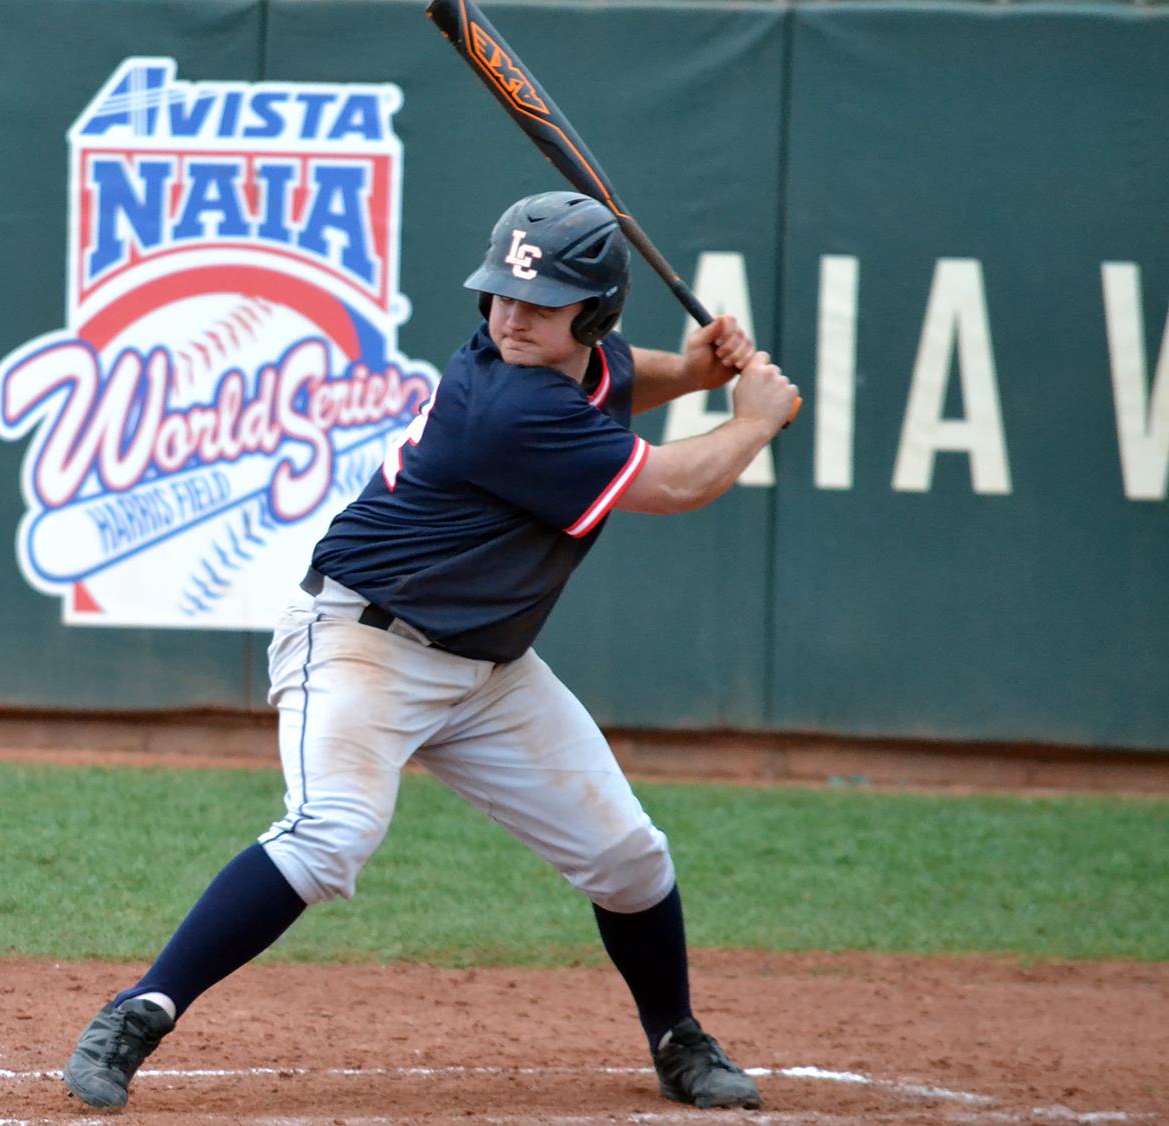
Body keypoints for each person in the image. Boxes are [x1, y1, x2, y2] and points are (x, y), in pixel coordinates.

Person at [60, 190, 799, 1112]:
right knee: (331, 837)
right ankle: (138, 1011)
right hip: (364, 644)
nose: (513, 315)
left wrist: (690, 373)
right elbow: (680, 483)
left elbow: (614, 373)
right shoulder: (509, 405)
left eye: (543, 301)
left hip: (487, 671)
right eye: (501, 296)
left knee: (629, 857)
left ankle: (678, 1039)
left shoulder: (566, 365)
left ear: (595, 312)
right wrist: (754, 417)